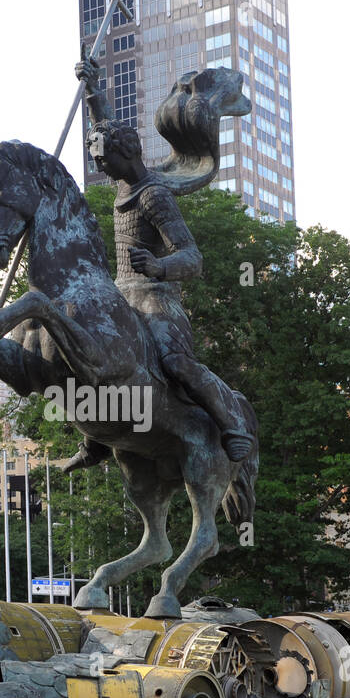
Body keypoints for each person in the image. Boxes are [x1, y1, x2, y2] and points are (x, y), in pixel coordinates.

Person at [63, 54, 255, 473]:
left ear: (125, 154)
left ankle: (231, 423)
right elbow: (106, 128)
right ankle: (94, 436)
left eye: (104, 161)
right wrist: (94, 88)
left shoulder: (153, 194)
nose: (100, 168)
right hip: (120, 294)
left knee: (174, 362)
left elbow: (193, 257)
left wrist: (158, 267)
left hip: (155, 297)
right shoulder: (122, 180)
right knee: (84, 347)